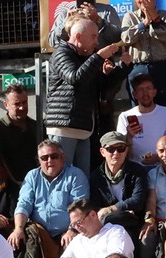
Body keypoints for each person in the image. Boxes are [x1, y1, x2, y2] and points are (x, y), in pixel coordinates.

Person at [47, 19, 130, 177]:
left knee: (83, 179)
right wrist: (98, 57)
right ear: (78, 37)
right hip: (64, 128)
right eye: (93, 37)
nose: (96, 42)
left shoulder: (88, 57)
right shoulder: (61, 53)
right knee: (62, 179)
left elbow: (101, 86)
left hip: (84, 129)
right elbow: (75, 78)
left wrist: (123, 68)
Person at [11, 140, 89, 258]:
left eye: (54, 156)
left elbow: (79, 207)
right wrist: (18, 228)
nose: (49, 161)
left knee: (70, 257)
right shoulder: (32, 176)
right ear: (38, 161)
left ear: (62, 158)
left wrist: (72, 230)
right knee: (19, 245)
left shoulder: (75, 175)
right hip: (38, 234)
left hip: (68, 232)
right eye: (44, 158)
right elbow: (24, 204)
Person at [121, 0, 166, 108]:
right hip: (139, 68)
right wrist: (143, 24)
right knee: (140, 111)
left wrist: (155, 18)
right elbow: (126, 38)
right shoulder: (130, 17)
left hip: (165, 69)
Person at [89, 132, 151, 242]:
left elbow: (138, 201)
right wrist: (122, 211)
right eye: (111, 149)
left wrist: (111, 209)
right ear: (102, 152)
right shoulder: (96, 176)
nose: (116, 153)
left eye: (121, 148)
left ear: (126, 150)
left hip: (133, 224)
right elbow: (95, 205)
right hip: (106, 226)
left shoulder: (138, 171)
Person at [118, 75, 166, 168]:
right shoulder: (125, 116)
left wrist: (158, 157)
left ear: (154, 92)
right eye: (141, 90)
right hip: (135, 168)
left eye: (148, 89)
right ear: (134, 94)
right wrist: (129, 137)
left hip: (162, 166)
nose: (145, 93)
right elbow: (119, 150)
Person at [0, 83, 38, 185]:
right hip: (12, 186)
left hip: (37, 183)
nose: (22, 107)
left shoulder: (36, 126)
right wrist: (15, 183)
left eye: (24, 102)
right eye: (17, 104)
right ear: (6, 105)